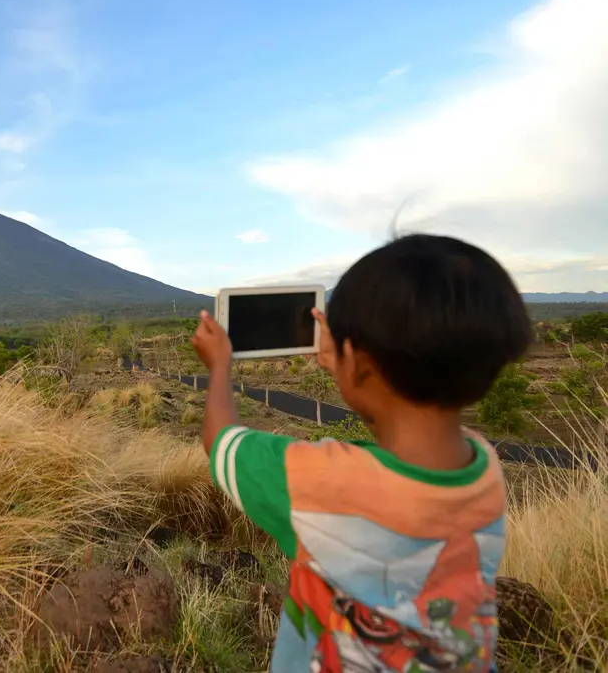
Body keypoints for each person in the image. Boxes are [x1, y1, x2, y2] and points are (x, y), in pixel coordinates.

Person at [190, 234, 532, 673]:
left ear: (363, 363)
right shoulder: (484, 470)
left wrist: (220, 367)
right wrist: (351, 365)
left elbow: (220, 441)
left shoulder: (319, 480)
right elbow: (405, 418)